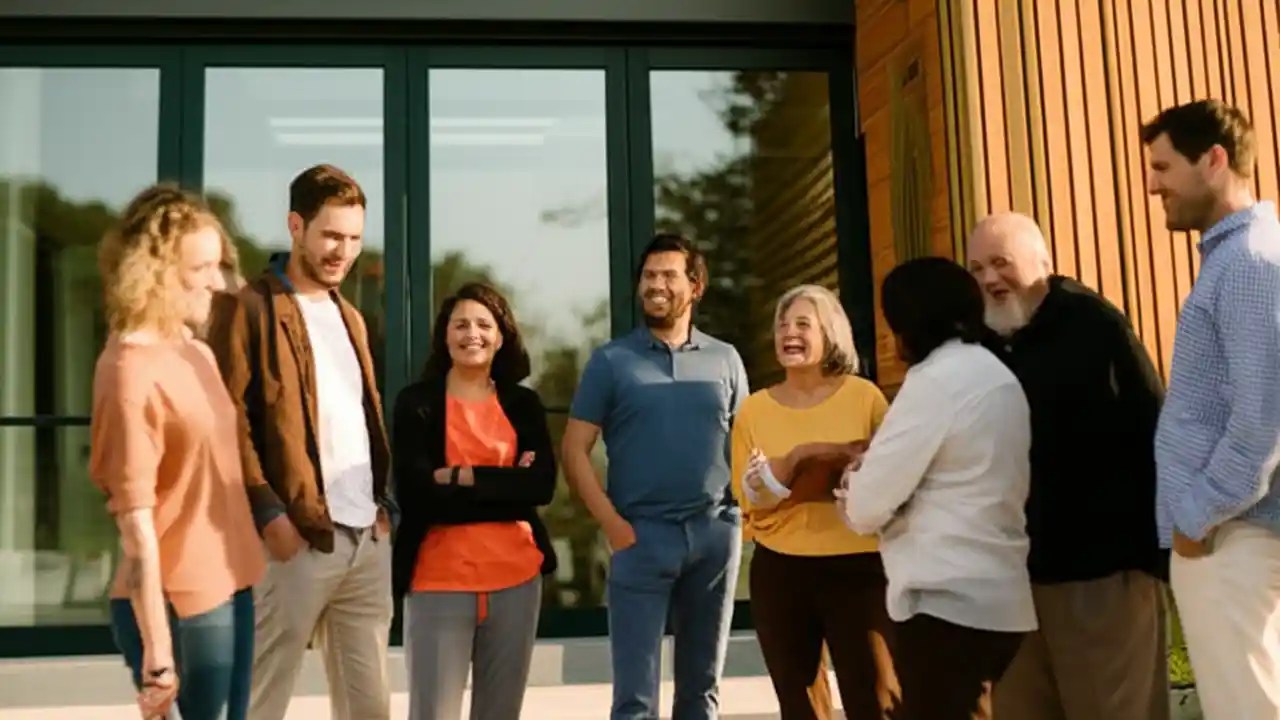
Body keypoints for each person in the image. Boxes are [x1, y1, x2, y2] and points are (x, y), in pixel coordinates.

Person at [205, 163, 396, 720]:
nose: (343, 250)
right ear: (296, 226)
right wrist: (269, 513)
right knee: (260, 704)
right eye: (331, 235)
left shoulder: (352, 318)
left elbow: (362, 418)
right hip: (295, 539)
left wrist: (385, 507)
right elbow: (224, 418)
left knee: (370, 711)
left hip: (365, 541)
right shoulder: (247, 308)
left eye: (355, 238)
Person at [964, 212, 1170, 720]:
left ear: (1044, 263)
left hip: (1101, 579)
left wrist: (1156, 555)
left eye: (1001, 263)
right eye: (975, 269)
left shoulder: (1094, 325)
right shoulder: (976, 341)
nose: (989, 279)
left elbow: (1155, 429)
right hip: (1011, 583)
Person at [90, 184, 265, 720]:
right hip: (181, 603)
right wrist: (159, 658)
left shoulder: (193, 352)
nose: (218, 280)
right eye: (202, 268)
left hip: (234, 582)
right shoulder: (128, 374)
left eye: (221, 264)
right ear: (158, 271)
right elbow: (138, 530)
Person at [838, 257, 1036, 720]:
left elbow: (867, 506)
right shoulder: (996, 374)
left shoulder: (935, 383)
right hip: (1001, 601)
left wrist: (853, 483)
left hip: (946, 609)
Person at [562, 232, 749, 720]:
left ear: (696, 287)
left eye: (668, 275)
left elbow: (749, 448)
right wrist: (612, 525)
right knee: (634, 701)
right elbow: (575, 450)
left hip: (713, 536)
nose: (656, 285)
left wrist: (737, 521)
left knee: (701, 694)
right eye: (649, 276)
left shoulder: (726, 359)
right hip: (639, 538)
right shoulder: (611, 361)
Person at [1145, 99, 1280, 718]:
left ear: (1215, 160)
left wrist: (1195, 517)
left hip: (1234, 536)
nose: (1153, 185)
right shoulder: (1240, 257)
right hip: (1234, 532)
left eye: (1163, 167)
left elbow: (1265, 416)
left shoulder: (1249, 262)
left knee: (1247, 708)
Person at [390, 282, 558, 720]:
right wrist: (505, 486)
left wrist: (462, 476)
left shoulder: (523, 405)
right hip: (438, 579)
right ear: (444, 335)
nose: (472, 334)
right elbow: (417, 494)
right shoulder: (417, 403)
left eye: (484, 324)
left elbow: (540, 487)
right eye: (460, 324)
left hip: (517, 580)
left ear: (502, 336)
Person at [730, 284, 898, 718]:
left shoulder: (865, 397)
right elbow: (749, 502)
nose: (789, 332)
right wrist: (816, 459)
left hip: (860, 569)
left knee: (876, 702)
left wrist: (791, 475)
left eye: (803, 324)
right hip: (781, 570)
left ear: (830, 332)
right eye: (783, 325)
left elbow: (886, 476)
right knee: (800, 706)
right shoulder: (753, 411)